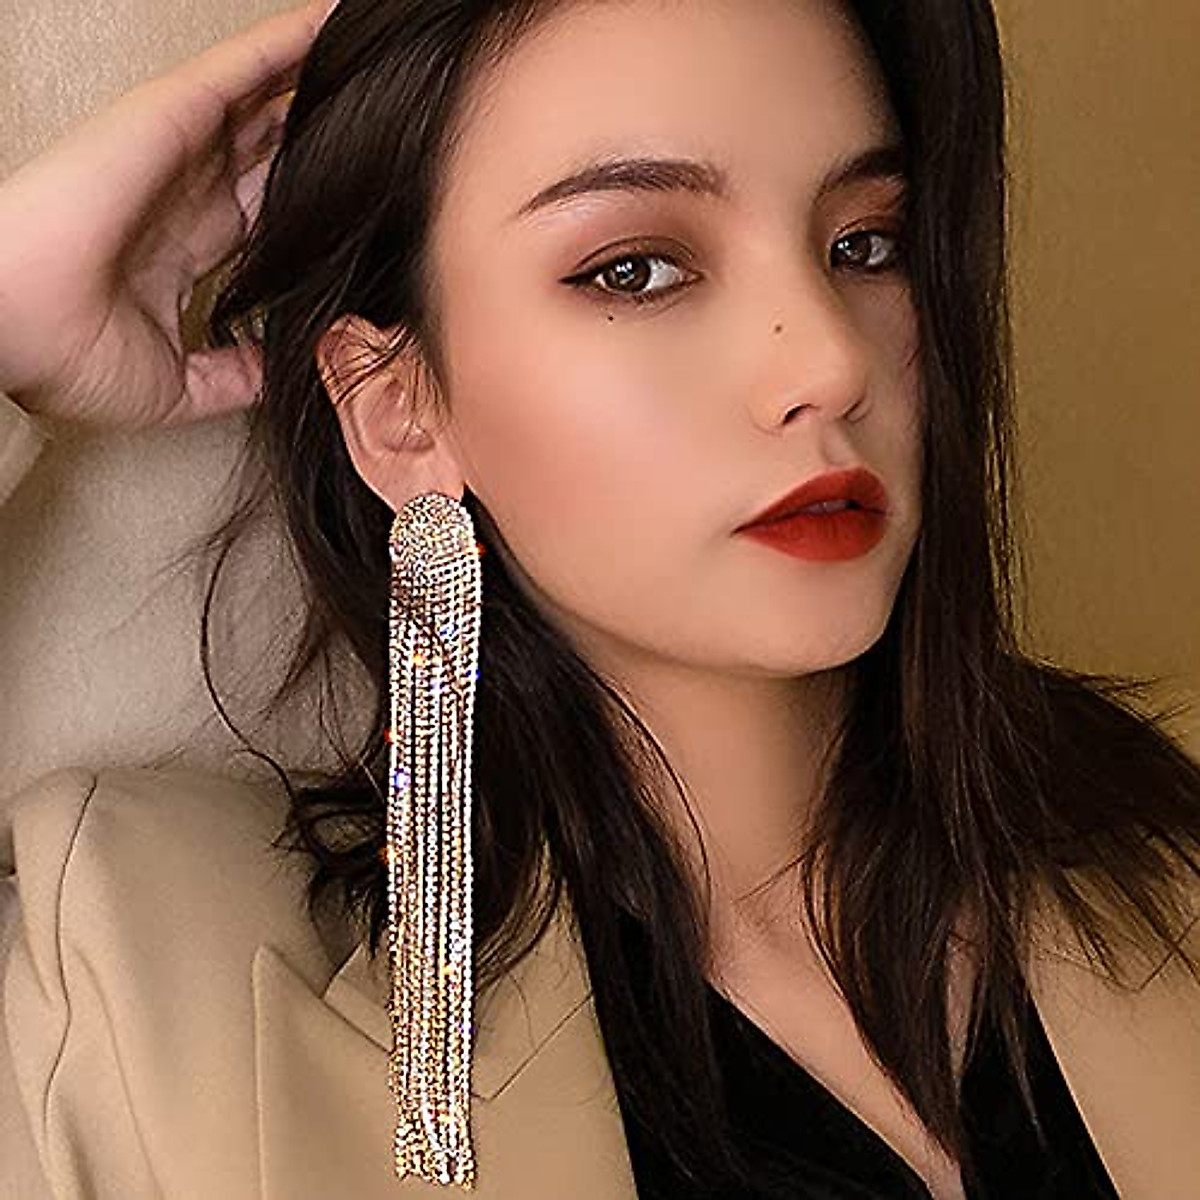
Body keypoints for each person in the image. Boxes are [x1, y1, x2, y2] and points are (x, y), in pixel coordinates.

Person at [2, 0, 1198, 1197]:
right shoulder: (146, 976)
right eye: (636, 270)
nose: (830, 363)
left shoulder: (1169, 856)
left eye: (865, 245)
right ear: (399, 410)